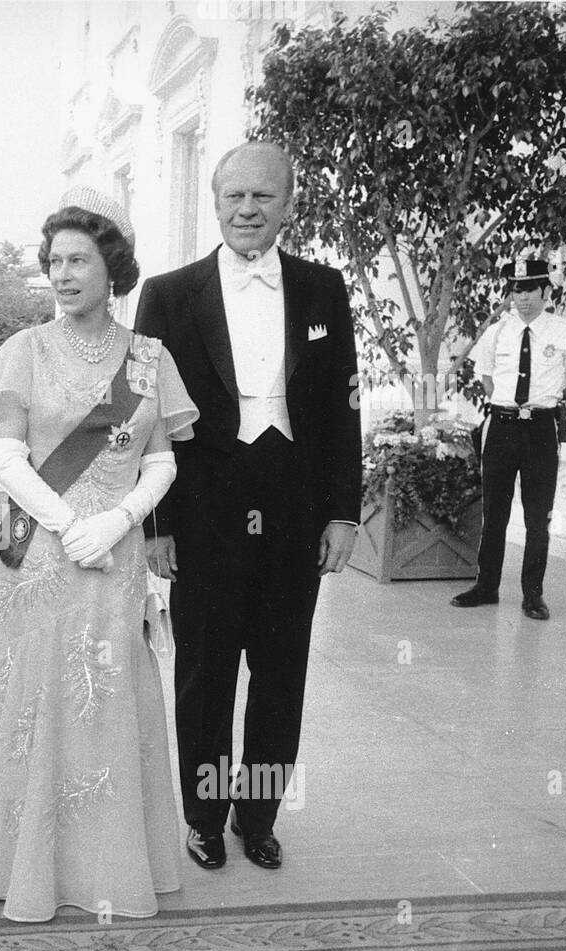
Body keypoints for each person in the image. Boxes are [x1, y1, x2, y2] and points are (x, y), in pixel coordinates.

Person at [0, 188, 198, 922]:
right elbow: (6, 454)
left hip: (115, 558)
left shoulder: (148, 358)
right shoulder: (26, 349)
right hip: (44, 558)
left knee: (107, 695)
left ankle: (106, 863)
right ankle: (26, 864)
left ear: (112, 265)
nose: (64, 273)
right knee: (37, 697)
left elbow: (164, 461)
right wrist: (63, 520)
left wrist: (116, 521)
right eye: (54, 261)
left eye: (79, 259)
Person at [135, 141, 361, 872]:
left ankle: (256, 814)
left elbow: (340, 409)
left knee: (280, 671)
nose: (246, 209)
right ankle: (203, 816)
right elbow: (144, 416)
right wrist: (156, 524)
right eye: (233, 196)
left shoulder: (325, 289)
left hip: (295, 510)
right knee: (205, 673)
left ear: (290, 206)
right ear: (215, 202)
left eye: (263, 196)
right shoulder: (168, 295)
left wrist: (342, 513)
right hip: (203, 511)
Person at [451, 258, 566, 620]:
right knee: (494, 512)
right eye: (516, 290)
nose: (523, 297)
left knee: (536, 517)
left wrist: (544, 407)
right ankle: (487, 587)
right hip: (501, 428)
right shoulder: (496, 332)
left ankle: (533, 594)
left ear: (546, 291)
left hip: (540, 431)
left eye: (530, 289)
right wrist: (509, 408)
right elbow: (487, 380)